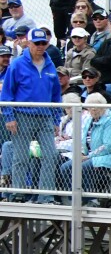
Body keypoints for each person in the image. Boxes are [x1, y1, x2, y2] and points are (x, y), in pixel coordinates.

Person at [0, 28, 62, 205]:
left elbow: (56, 95)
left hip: (45, 117)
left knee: (50, 155)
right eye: (37, 43)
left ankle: (46, 196)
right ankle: (18, 193)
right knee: (20, 156)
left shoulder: (50, 65)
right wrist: (9, 116)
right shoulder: (17, 64)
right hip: (22, 115)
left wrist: (56, 119)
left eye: (44, 43)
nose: (40, 46)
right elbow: (7, 92)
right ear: (29, 43)